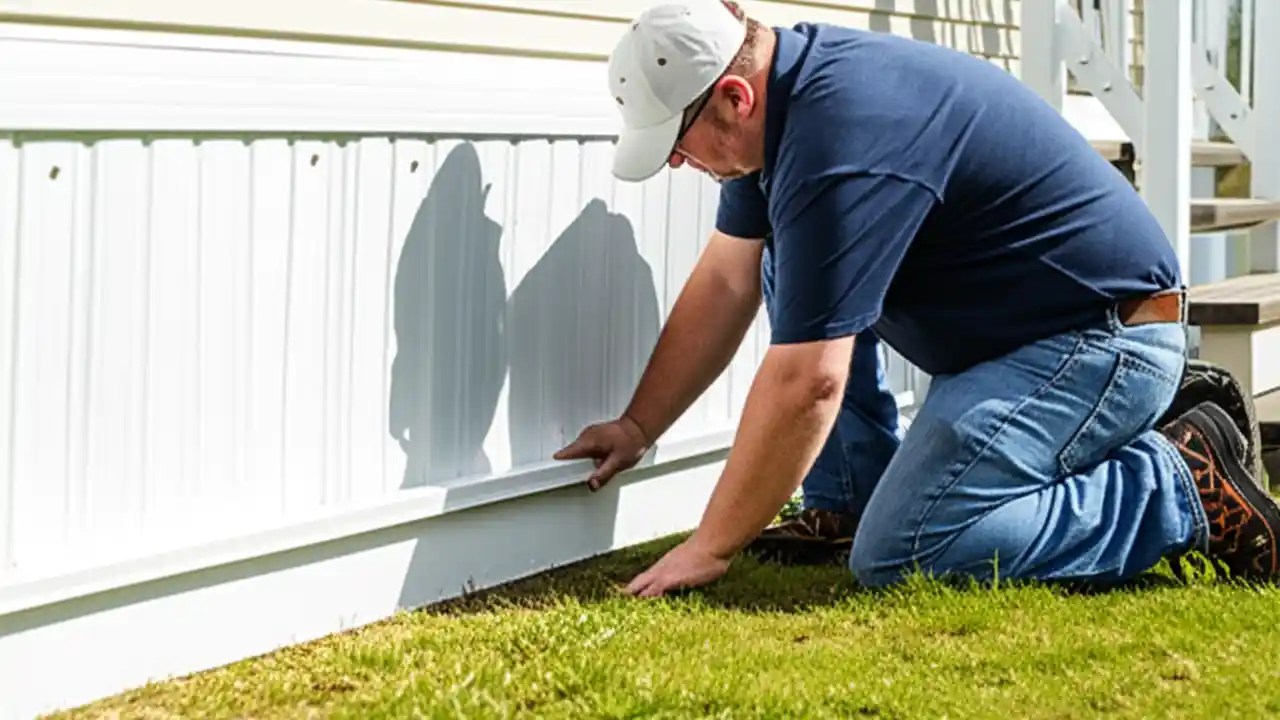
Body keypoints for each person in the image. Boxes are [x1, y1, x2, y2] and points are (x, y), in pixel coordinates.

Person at [553, 0, 1280, 597]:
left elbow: (811, 381)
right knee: (786, 256)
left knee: (907, 553)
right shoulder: (788, 110)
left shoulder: (842, 136)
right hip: (1026, 341)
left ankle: (1182, 481)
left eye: (677, 144)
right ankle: (849, 501)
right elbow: (727, 279)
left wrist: (708, 548)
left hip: (1102, 341)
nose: (677, 162)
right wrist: (638, 424)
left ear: (733, 97)